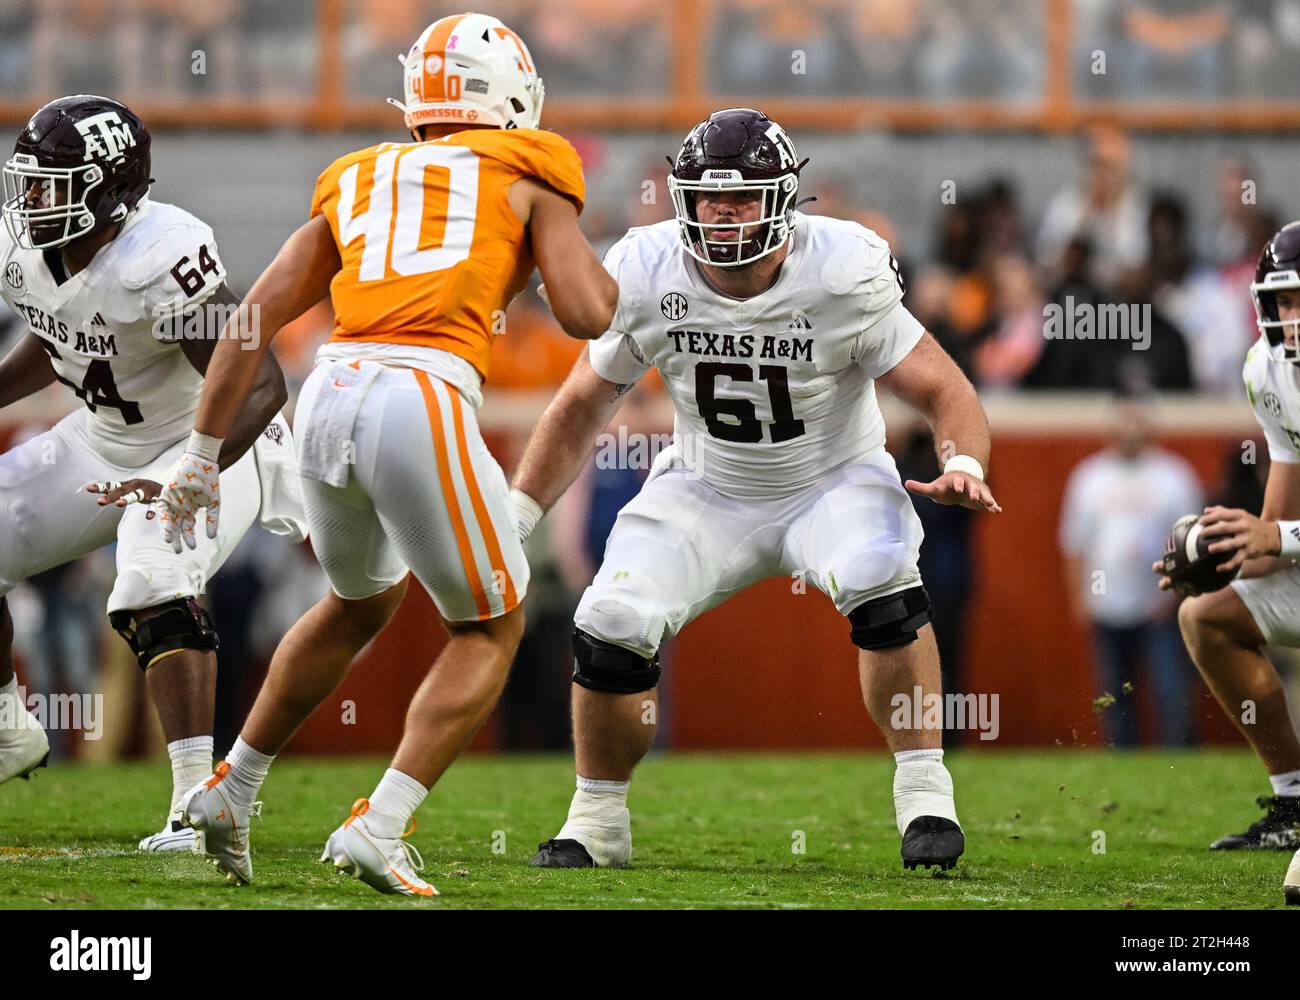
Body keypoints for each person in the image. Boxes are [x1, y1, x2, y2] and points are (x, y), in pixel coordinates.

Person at [151, 13, 617, 897]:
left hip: (329, 388)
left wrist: (202, 452)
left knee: (356, 603)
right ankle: (384, 823)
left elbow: (254, 317)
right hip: (421, 393)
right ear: (514, 96)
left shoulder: (357, 175)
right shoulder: (532, 162)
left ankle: (230, 788)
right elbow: (588, 313)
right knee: (490, 626)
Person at [509, 108, 1001, 873]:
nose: (725, 214)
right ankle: (597, 817)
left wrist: (964, 460)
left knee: (881, 578)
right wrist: (518, 512)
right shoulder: (646, 267)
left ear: (783, 199)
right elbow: (580, 404)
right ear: (684, 200)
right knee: (609, 617)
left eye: (744, 198)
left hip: (831, 477)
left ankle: (925, 795)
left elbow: (944, 389)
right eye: (710, 198)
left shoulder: (839, 268)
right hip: (708, 482)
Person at [0, 95, 302, 854]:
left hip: (206, 435)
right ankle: (9, 729)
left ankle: (194, 808)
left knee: (149, 572)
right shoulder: (27, 249)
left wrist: (196, 469)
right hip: (102, 438)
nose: (33, 201)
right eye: (30, 183)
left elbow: (260, 380)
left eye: (53, 185)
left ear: (109, 190)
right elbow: (66, 332)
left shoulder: (158, 257)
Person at [1155, 222, 1300, 886]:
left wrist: (1281, 539)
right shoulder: (1266, 371)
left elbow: (1285, 536)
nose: (1291, 320)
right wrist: (1221, 557)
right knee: (1206, 615)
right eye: (1283, 303)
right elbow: (1279, 522)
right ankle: (1296, 802)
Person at [1060, 396, 1202, 746]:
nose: (1129, 431)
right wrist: (1081, 596)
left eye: (1137, 422)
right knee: (1113, 689)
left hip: (1159, 605)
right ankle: (1121, 758)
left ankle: (1178, 759)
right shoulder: (1090, 476)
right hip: (1106, 603)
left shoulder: (1174, 475)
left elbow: (1191, 543)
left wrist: (1174, 595)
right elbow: (1074, 542)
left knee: (1169, 686)